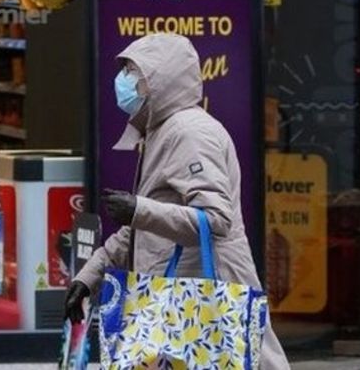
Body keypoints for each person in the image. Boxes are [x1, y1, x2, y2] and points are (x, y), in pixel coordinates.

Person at [65, 33, 289, 369]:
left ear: (159, 78)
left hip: (199, 297)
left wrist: (138, 209)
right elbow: (139, 231)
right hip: (177, 304)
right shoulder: (161, 131)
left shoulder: (189, 132)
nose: (122, 81)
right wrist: (89, 276)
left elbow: (214, 220)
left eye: (131, 71)